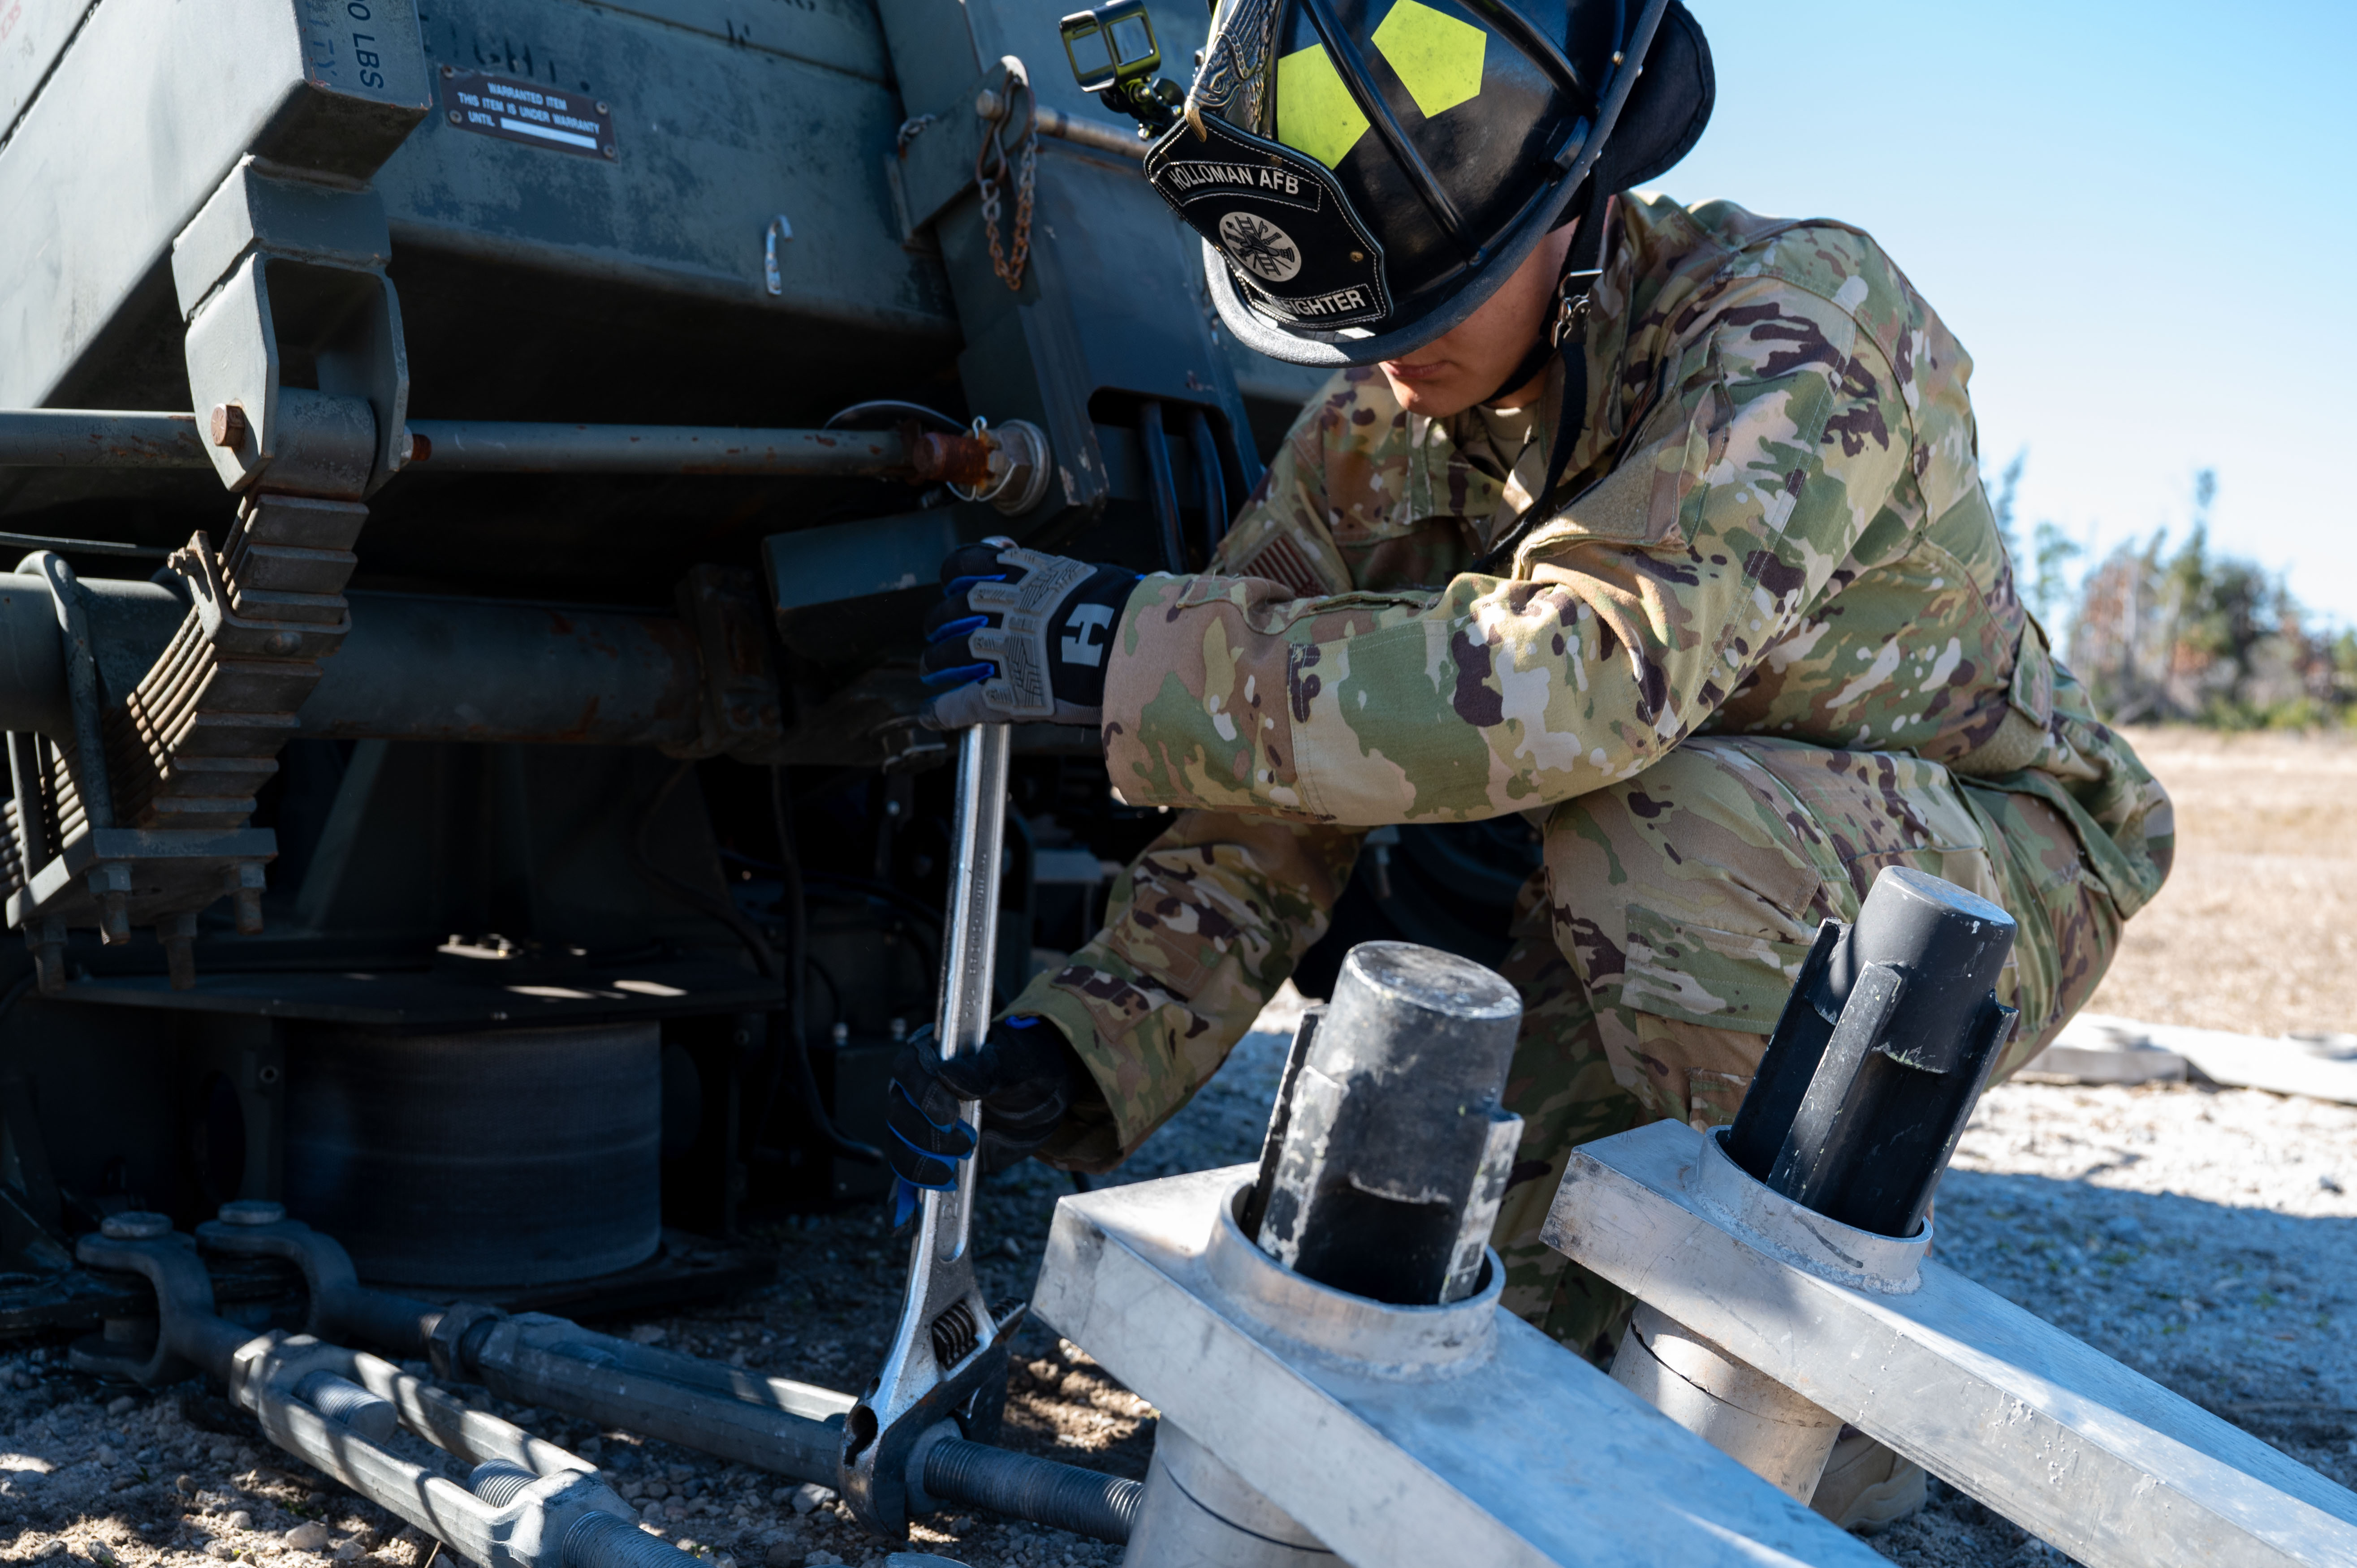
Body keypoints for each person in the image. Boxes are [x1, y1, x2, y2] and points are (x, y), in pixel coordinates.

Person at [885, 0, 2172, 1532]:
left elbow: (1587, 679)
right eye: (1355, 327)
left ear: (1573, 207)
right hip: (1651, 860)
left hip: (1973, 876)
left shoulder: (1793, 322)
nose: (1392, 355)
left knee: (1650, 834)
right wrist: (1090, 1037)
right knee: (1481, 1347)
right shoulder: (1387, 419)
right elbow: (1261, 773)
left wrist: (1113, 648)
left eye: (1438, 296)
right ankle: (1707, 1313)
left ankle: (1839, 1392)